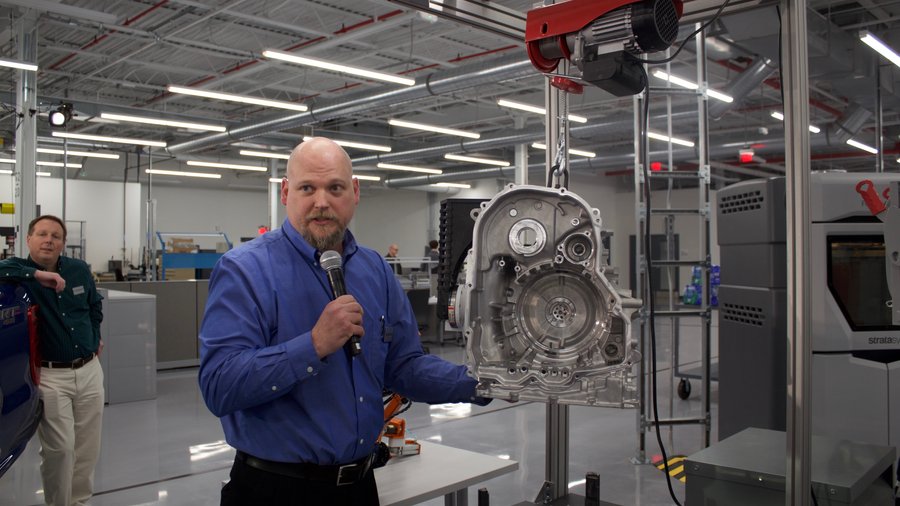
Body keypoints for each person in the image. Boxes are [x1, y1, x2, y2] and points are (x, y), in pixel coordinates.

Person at [198, 137, 487, 505]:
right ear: (286, 193)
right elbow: (219, 387)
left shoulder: (375, 270)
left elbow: (404, 367)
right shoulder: (244, 271)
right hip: (274, 490)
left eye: (334, 188)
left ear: (354, 192)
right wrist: (313, 345)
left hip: (359, 488)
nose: (321, 202)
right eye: (307, 188)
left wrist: (485, 381)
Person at [0, 215, 104, 506]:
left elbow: (94, 306)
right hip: (51, 376)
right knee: (60, 450)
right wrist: (37, 275)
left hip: (89, 370)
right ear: (29, 239)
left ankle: (79, 502)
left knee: (87, 449)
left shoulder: (78, 270)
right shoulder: (20, 273)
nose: (49, 240)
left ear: (63, 243)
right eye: (42, 234)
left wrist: (95, 337)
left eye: (56, 236)